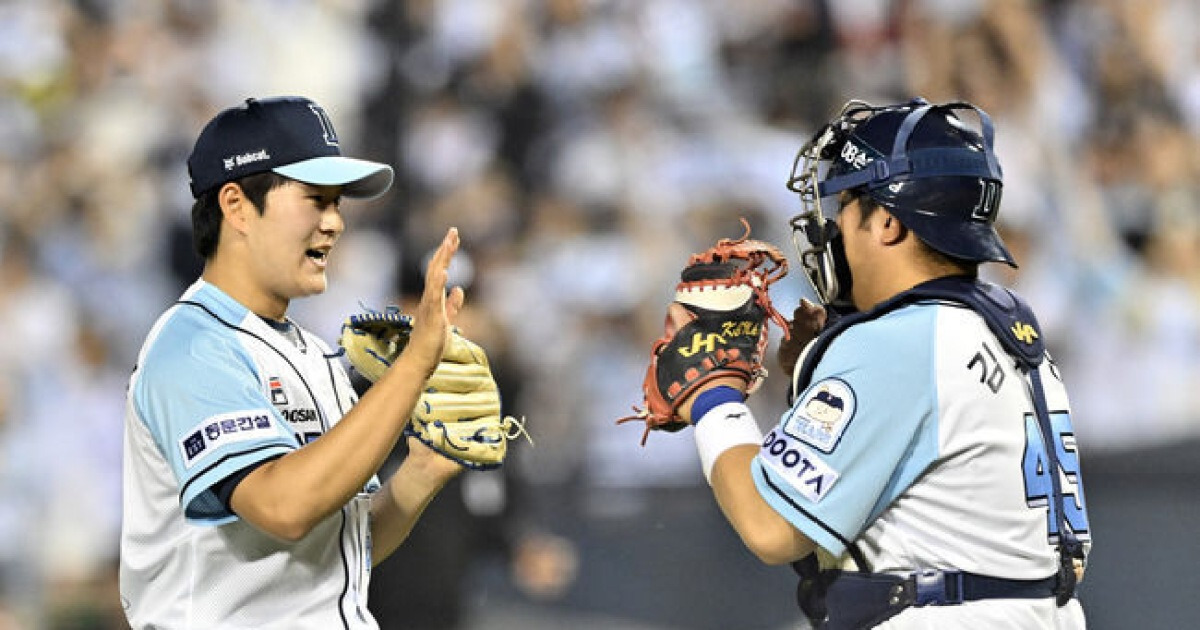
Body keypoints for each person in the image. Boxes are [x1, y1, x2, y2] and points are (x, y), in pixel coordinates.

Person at [674, 98, 1093, 628]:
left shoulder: (900, 342)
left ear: (890, 224)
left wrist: (711, 398)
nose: (829, 226)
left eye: (845, 203)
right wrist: (817, 367)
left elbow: (771, 527)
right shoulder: (1002, 321)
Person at [119, 96, 467, 629]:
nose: (335, 223)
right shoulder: (194, 346)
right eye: (315, 200)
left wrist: (420, 474)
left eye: (337, 204)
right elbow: (284, 509)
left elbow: (338, 548)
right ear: (236, 206)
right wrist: (413, 365)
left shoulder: (311, 353)